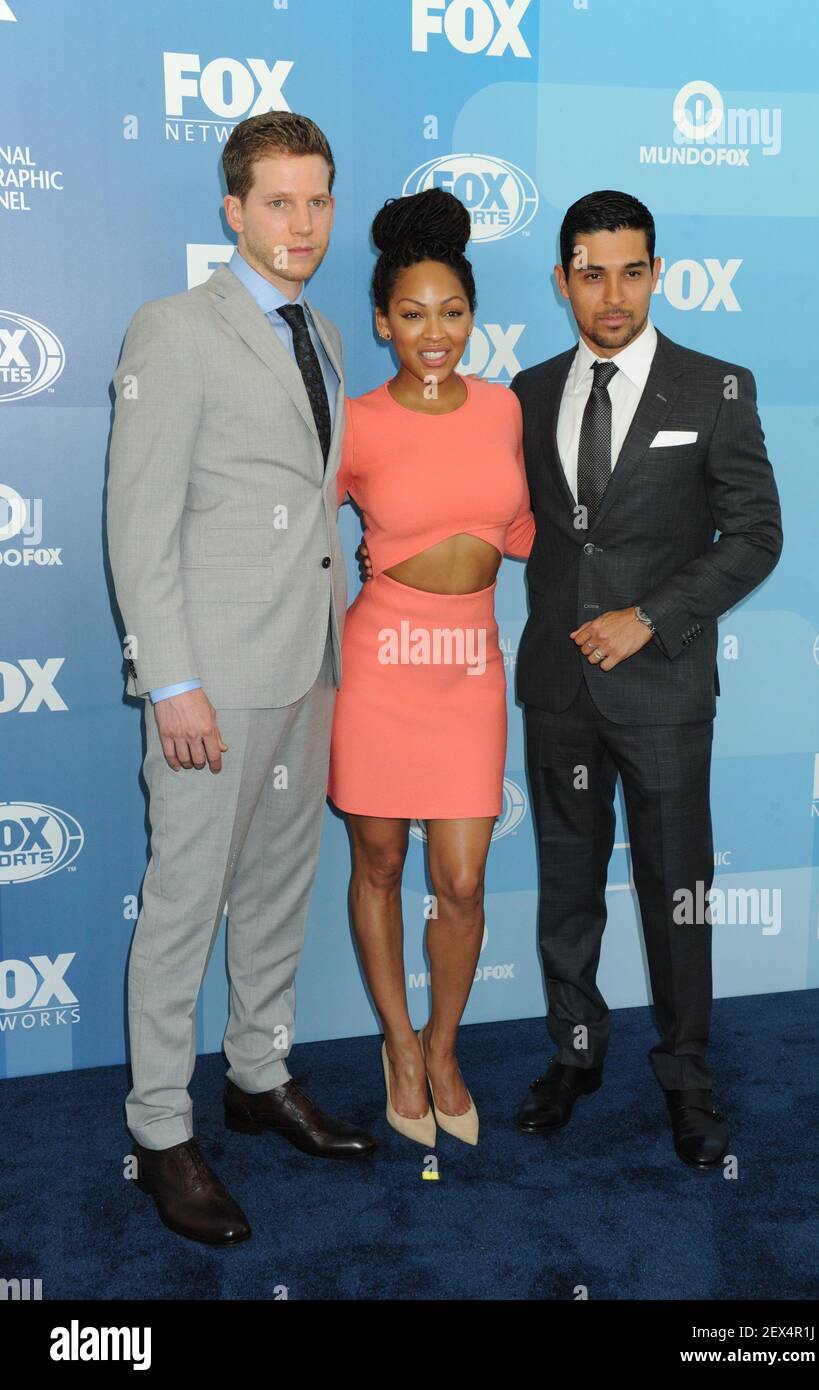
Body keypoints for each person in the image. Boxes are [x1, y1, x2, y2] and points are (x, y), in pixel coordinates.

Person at [106, 111, 375, 1248]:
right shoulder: (175, 327)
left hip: (307, 665)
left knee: (274, 894)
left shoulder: (322, 331)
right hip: (210, 681)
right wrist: (172, 682)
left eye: (317, 200)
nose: (303, 223)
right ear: (233, 208)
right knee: (182, 908)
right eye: (279, 201)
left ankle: (257, 1076)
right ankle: (161, 1129)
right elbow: (138, 520)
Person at [509, 190, 782, 1168]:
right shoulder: (528, 390)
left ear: (657, 273)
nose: (612, 293)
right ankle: (574, 1054)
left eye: (631, 270)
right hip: (557, 690)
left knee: (676, 891)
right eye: (591, 272)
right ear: (561, 280)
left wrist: (650, 617)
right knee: (566, 886)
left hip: (661, 686)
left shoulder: (715, 388)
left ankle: (688, 1081)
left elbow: (756, 536)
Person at [328, 188, 535, 1147]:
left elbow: (530, 528)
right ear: (381, 321)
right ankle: (399, 1048)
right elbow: (298, 538)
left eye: (450, 311)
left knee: (461, 880)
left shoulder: (505, 409)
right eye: (411, 313)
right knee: (378, 861)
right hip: (383, 659)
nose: (433, 330)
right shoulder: (355, 422)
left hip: (468, 666)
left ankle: (445, 1044)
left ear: (472, 315)